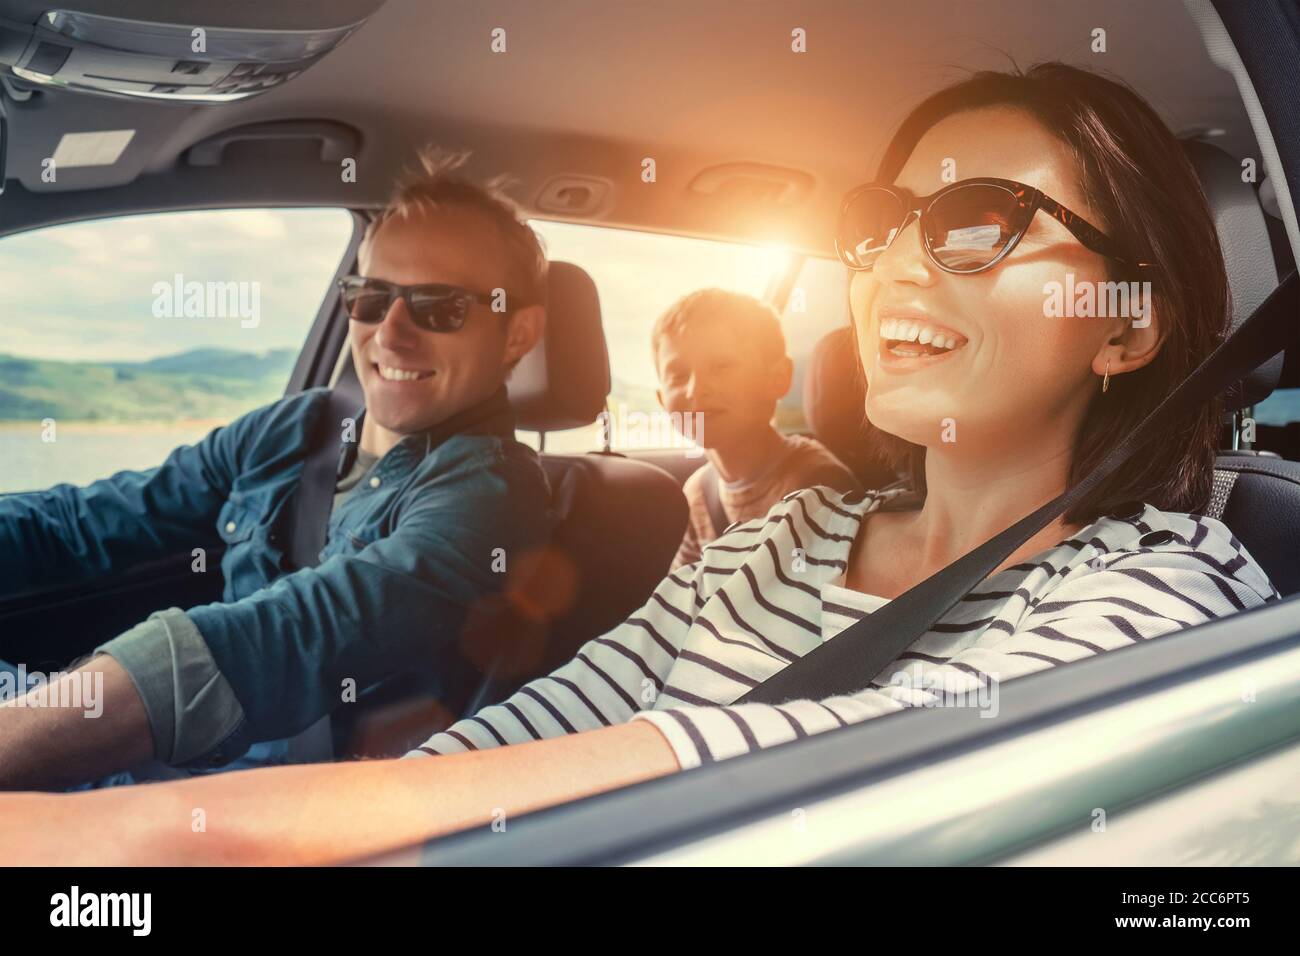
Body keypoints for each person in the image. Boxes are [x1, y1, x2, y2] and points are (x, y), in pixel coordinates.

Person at [0, 63, 1278, 864]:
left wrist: (154, 837)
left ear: (1124, 321)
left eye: (976, 221)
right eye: (879, 223)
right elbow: (543, 729)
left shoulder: (1170, 590)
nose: (890, 263)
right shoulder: (781, 539)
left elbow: (814, 753)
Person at [0, 148, 552, 790]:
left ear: (517, 335)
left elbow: (293, 636)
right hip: (171, 764)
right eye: (371, 298)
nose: (391, 333)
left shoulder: (492, 496)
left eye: (439, 307)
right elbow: (88, 521)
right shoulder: (297, 429)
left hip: (266, 809)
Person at [651, 289, 857, 568]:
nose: (695, 389)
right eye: (677, 374)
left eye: (721, 366)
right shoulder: (698, 491)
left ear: (777, 378)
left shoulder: (819, 487)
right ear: (662, 400)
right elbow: (683, 597)